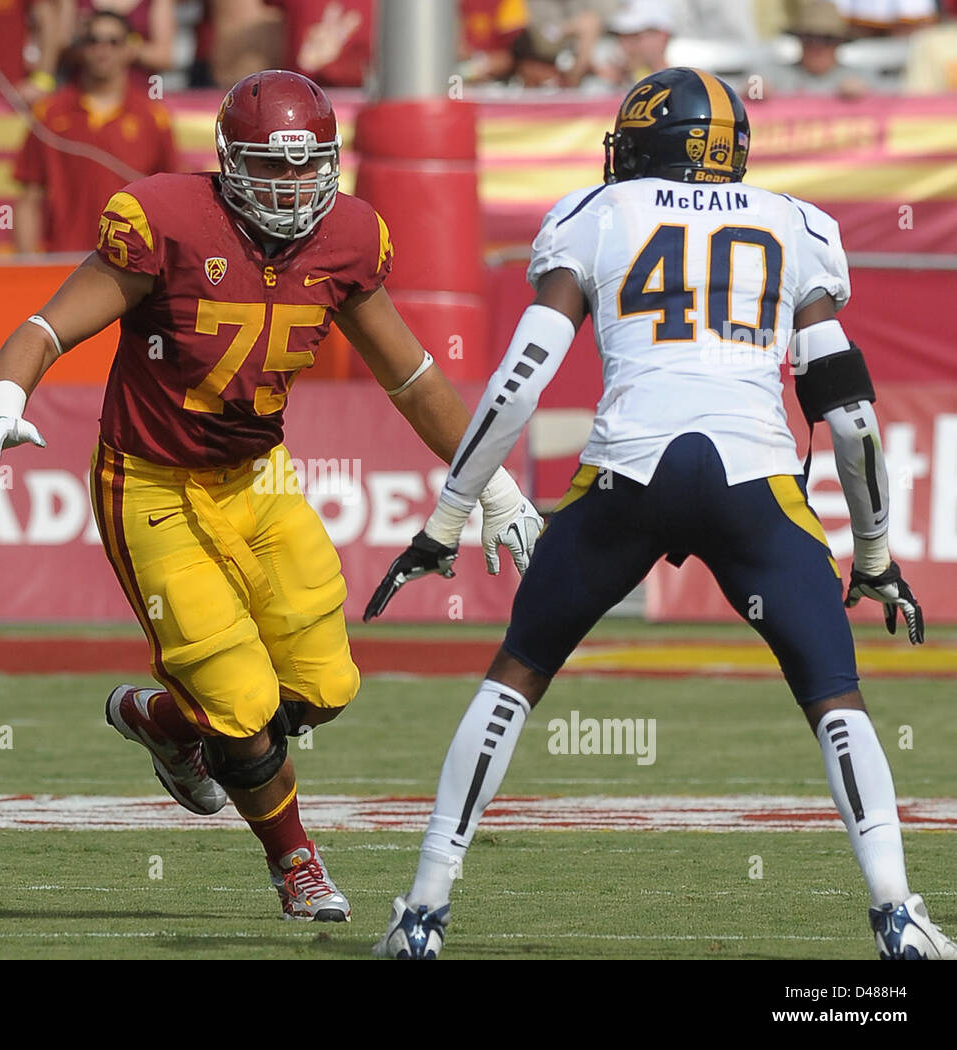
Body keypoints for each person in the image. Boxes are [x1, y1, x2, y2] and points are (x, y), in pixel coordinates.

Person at [371, 67, 955, 961]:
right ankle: (898, 914)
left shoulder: (595, 216)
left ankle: (422, 912)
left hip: (626, 475)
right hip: (754, 484)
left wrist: (447, 516)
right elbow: (851, 417)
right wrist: (873, 554)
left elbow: (518, 385)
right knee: (837, 700)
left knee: (513, 679)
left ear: (644, 144)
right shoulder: (797, 226)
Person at [0, 69, 542, 922]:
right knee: (240, 703)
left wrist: (485, 476)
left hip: (258, 479)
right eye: (271, 167)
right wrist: (7, 393)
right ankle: (296, 862)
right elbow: (49, 325)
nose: (293, 186)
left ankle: (165, 721)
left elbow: (413, 377)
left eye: (307, 169)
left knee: (325, 686)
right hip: (149, 480)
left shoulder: (346, 238)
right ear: (229, 162)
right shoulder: (166, 220)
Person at [13, 9, 178, 254]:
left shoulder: (153, 118)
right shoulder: (50, 114)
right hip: (64, 262)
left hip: (132, 267)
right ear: (81, 49)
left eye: (113, 42)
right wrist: (25, 265)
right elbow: (29, 199)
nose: (103, 50)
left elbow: (171, 201)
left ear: (129, 50)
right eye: (93, 41)